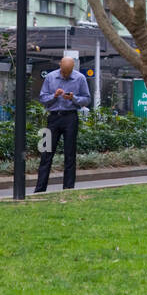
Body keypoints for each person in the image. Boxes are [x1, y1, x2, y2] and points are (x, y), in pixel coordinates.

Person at [34, 56, 91, 193]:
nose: (66, 75)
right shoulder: (50, 77)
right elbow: (42, 98)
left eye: (68, 72)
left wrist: (74, 98)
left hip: (71, 118)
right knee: (46, 152)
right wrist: (54, 96)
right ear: (60, 65)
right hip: (52, 118)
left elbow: (87, 99)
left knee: (70, 154)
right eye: (64, 71)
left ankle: (68, 188)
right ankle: (40, 189)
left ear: (73, 68)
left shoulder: (80, 78)